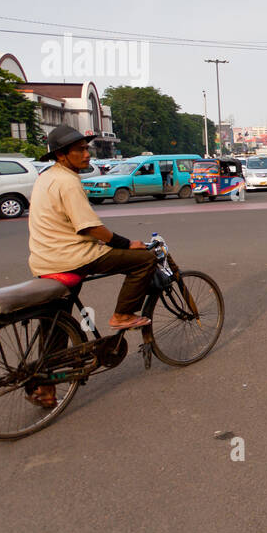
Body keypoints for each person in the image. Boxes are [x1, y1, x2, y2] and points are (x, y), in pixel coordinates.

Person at [27, 124, 158, 407]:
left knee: (55, 325)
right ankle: (122, 315)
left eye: (87, 149)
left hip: (43, 259)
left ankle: (45, 388)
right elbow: (89, 228)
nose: (87, 154)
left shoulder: (45, 177)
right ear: (62, 155)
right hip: (72, 257)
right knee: (144, 259)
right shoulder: (67, 182)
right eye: (80, 150)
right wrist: (125, 243)